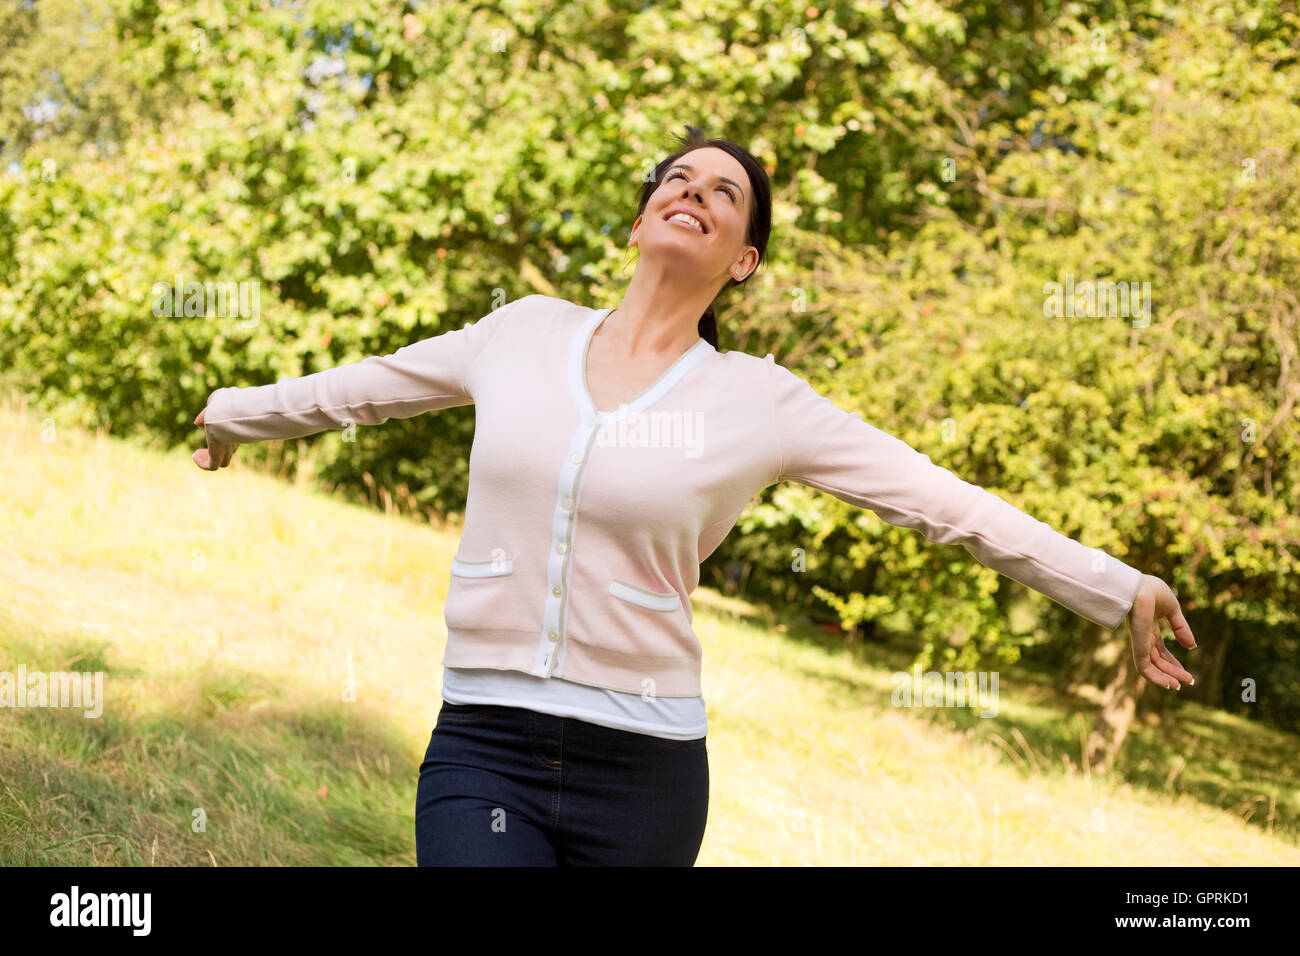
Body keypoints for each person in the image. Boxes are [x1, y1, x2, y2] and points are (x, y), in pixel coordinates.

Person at [192, 125, 1196, 866]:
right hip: (485, 739)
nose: (696, 190)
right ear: (640, 220)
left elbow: (943, 502)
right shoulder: (523, 331)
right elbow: (363, 387)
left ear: (742, 257)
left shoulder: (760, 402)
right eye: (678, 178)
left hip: (645, 775)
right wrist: (231, 413)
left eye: (725, 192)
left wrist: (1115, 585)